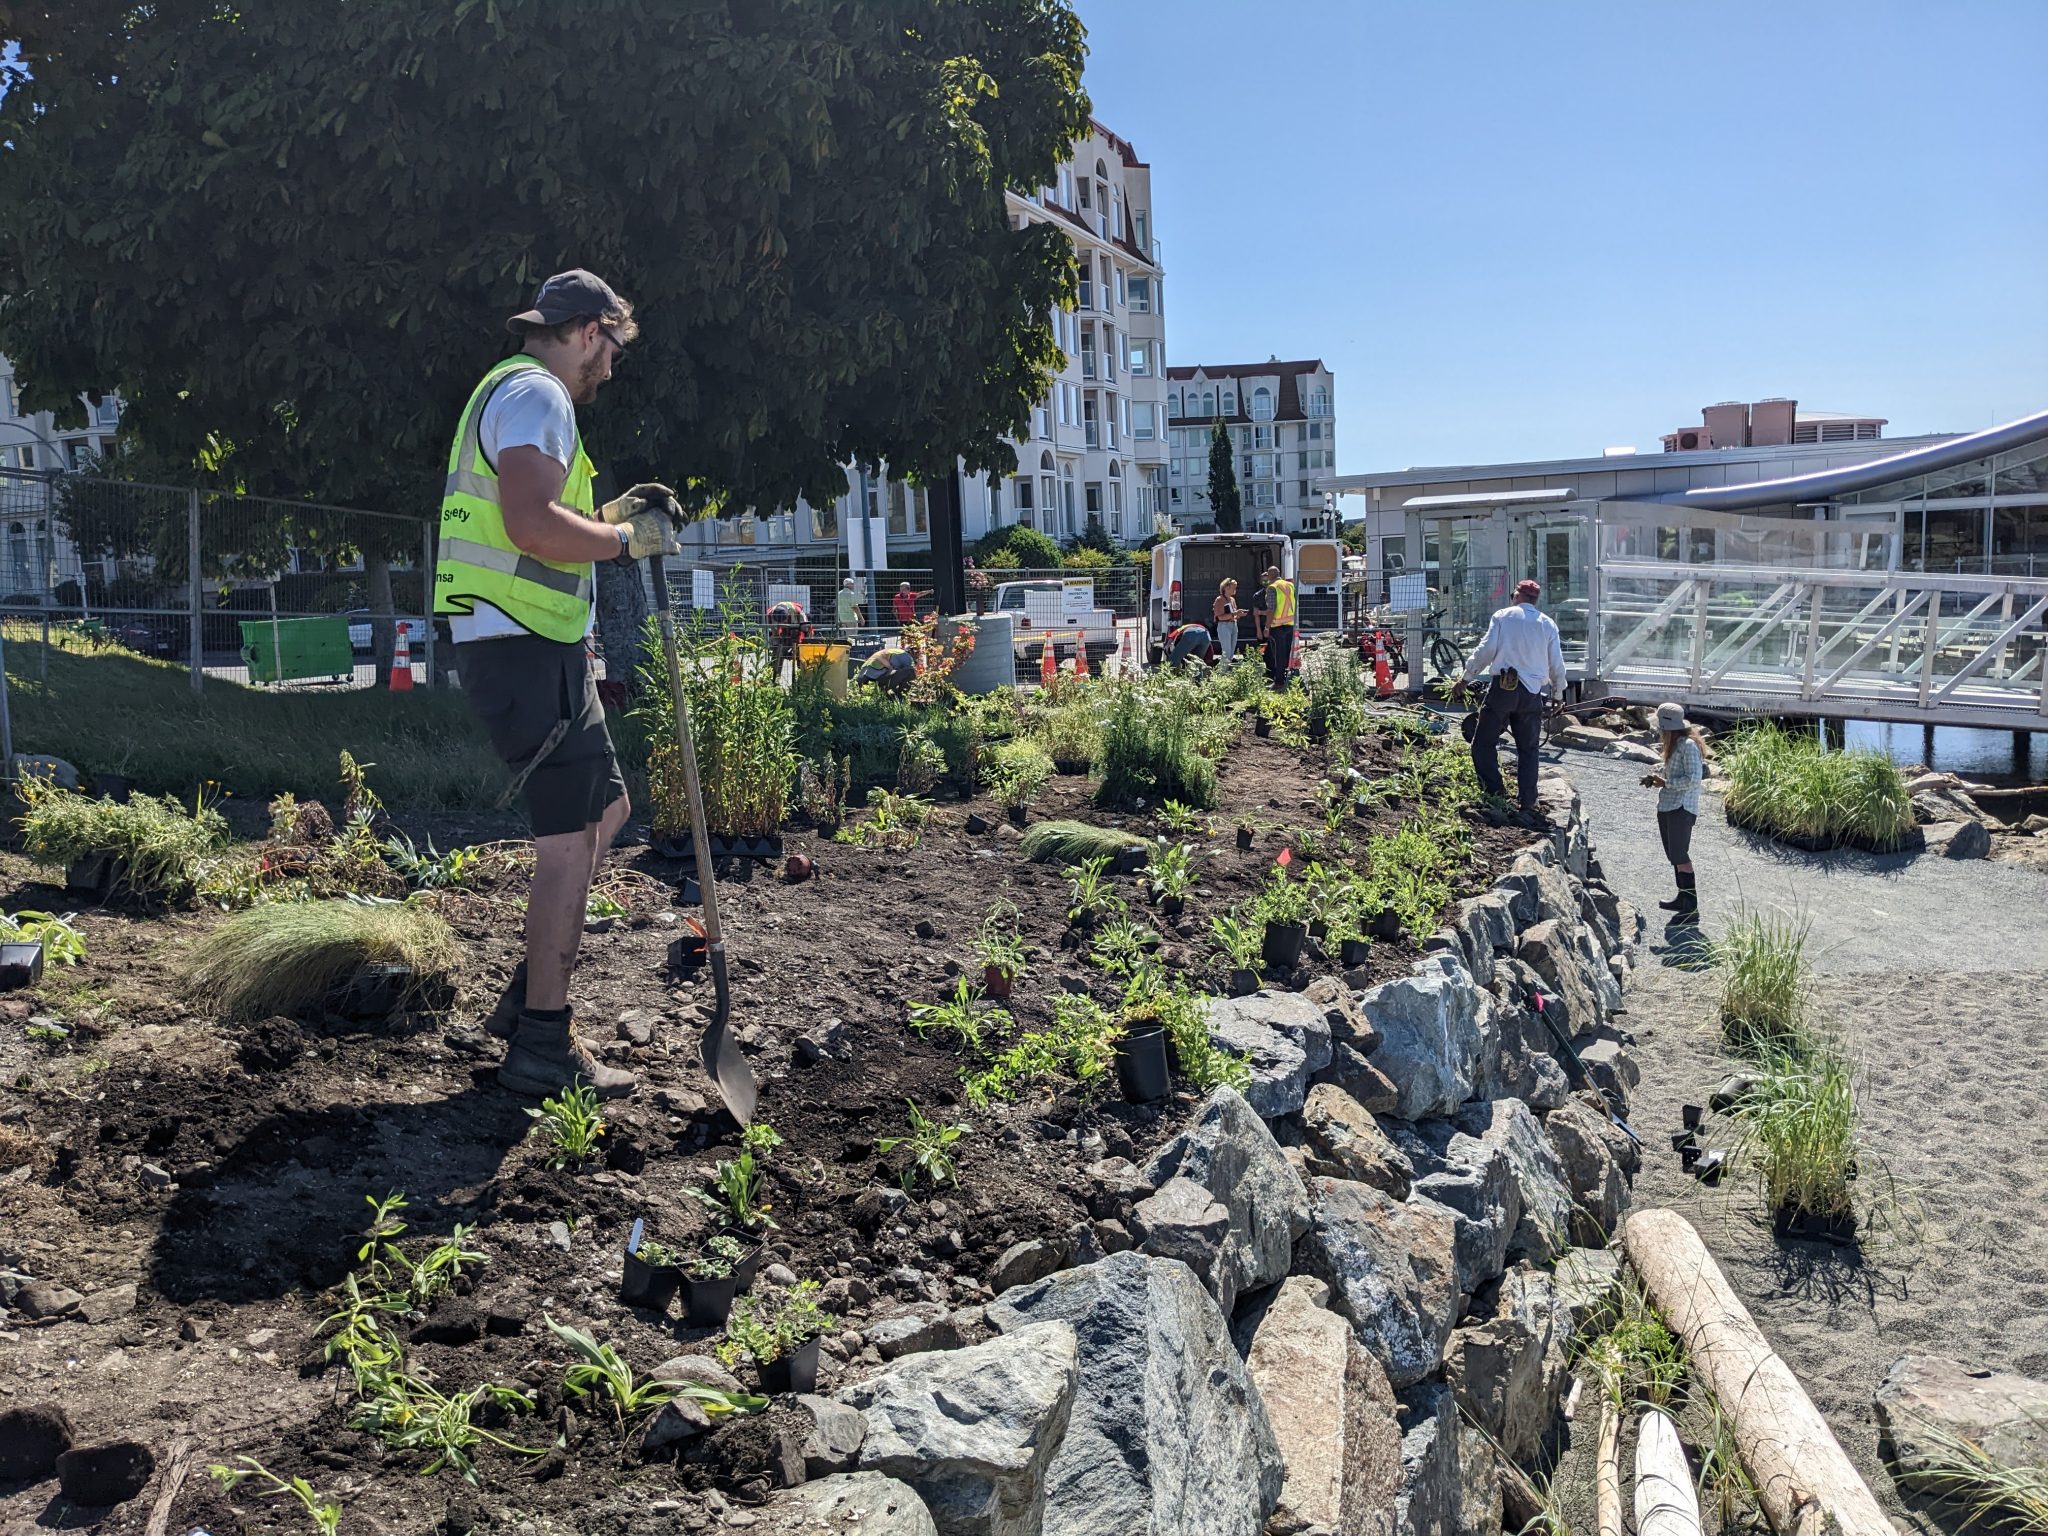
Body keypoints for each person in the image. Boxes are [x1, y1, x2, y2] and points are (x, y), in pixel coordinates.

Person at [437, 269, 681, 1100]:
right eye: (610, 349)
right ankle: (543, 1044)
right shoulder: (541, 394)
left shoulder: (511, 395)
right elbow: (530, 525)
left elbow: (542, 517)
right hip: (522, 647)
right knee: (569, 842)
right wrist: (628, 544)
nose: (609, 369)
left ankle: (530, 993)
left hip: (533, 646)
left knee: (606, 809)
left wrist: (611, 517)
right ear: (586, 330)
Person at [1456, 578, 1567, 819]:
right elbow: (1556, 664)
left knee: (1483, 743)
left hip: (1503, 689)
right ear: (1535, 600)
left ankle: (1494, 791)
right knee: (1528, 749)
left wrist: (1466, 677)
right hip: (1532, 693)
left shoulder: (1503, 616)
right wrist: (1558, 694)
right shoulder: (1547, 624)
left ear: (1517, 595)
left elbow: (1486, 650)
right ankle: (1527, 801)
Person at [1646, 701, 1705, 921]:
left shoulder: (1688, 745)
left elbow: (1693, 779)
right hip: (1670, 805)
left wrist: (1666, 783)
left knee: (1680, 854)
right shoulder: (1678, 743)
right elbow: (1678, 773)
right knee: (1674, 855)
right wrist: (1658, 778)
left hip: (1681, 806)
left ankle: (1690, 904)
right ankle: (1684, 899)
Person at [1259, 565, 1297, 690]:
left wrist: (1266, 627)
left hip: (1277, 626)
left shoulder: (1272, 588)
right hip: (1289, 624)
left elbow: (1271, 609)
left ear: (1270, 576)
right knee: (1286, 653)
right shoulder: (1290, 585)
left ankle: (1279, 682)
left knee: (1278, 655)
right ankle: (1286, 678)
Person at [765, 599, 810, 678]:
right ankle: (774, 678)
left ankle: (802, 678)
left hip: (798, 630)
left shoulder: (798, 613)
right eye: (779, 622)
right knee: (777, 651)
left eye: (784, 621)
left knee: (801, 654)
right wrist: (779, 646)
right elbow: (775, 634)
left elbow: (807, 630)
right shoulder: (770, 615)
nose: (782, 623)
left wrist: (800, 647)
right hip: (784, 632)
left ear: (787, 615)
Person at [1211, 578, 1244, 662]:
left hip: (1233, 625)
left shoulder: (1232, 600)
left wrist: (1239, 615)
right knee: (1226, 652)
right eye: (1233, 587)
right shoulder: (1219, 600)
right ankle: (1222, 672)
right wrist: (1235, 614)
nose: (1235, 590)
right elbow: (1219, 617)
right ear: (1226, 587)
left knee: (1231, 652)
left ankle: (1227, 672)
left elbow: (1234, 614)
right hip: (1224, 626)